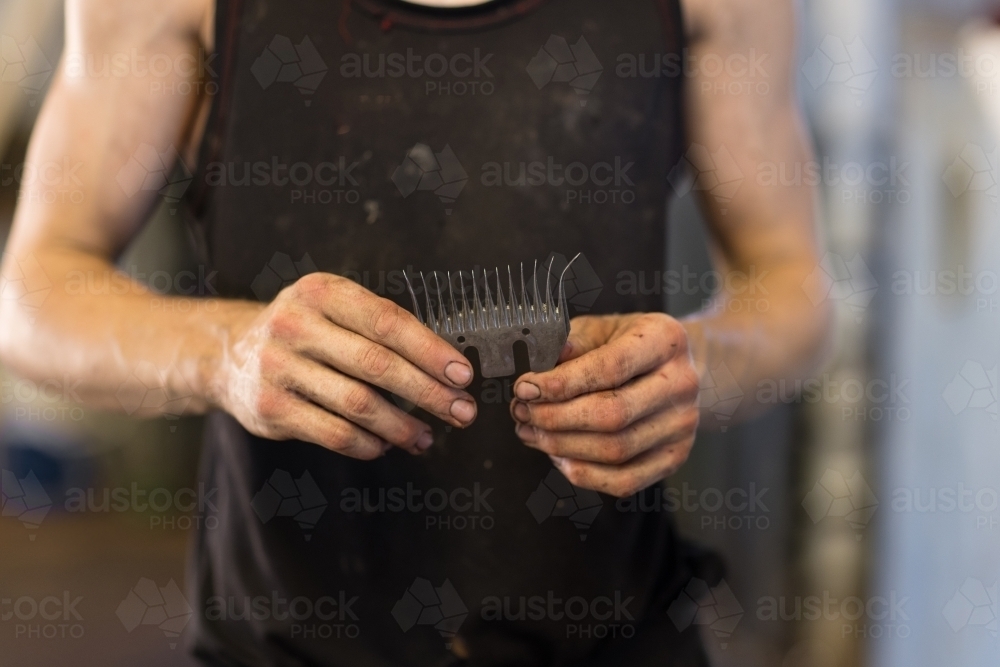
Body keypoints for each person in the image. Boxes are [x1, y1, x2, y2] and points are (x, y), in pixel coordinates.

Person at [0, 0, 829, 664]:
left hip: (615, 629)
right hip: (288, 637)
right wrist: (223, 351)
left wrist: (702, 367)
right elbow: (32, 295)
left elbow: (793, 288)